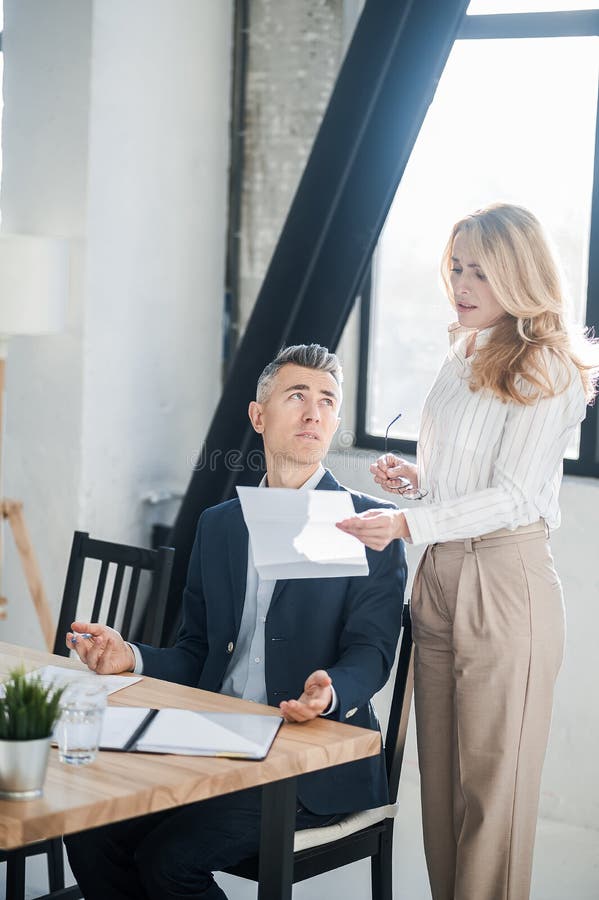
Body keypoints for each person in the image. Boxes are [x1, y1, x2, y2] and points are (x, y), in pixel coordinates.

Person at [64, 343, 407, 900]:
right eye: (297, 396)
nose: (313, 412)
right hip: (212, 742)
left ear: (337, 422)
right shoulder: (221, 525)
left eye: (327, 401)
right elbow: (198, 651)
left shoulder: (366, 527)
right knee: (88, 829)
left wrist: (330, 691)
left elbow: (371, 653)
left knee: (170, 861)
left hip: (306, 761)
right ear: (258, 416)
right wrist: (133, 656)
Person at [337, 203, 598, 900]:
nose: (461, 281)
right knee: (443, 785)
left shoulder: (548, 368)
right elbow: (470, 480)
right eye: (455, 266)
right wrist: (418, 485)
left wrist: (403, 524)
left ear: (519, 273)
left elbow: (515, 496)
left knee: (491, 798)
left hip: (505, 577)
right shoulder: (464, 351)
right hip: (442, 573)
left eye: (480, 269)